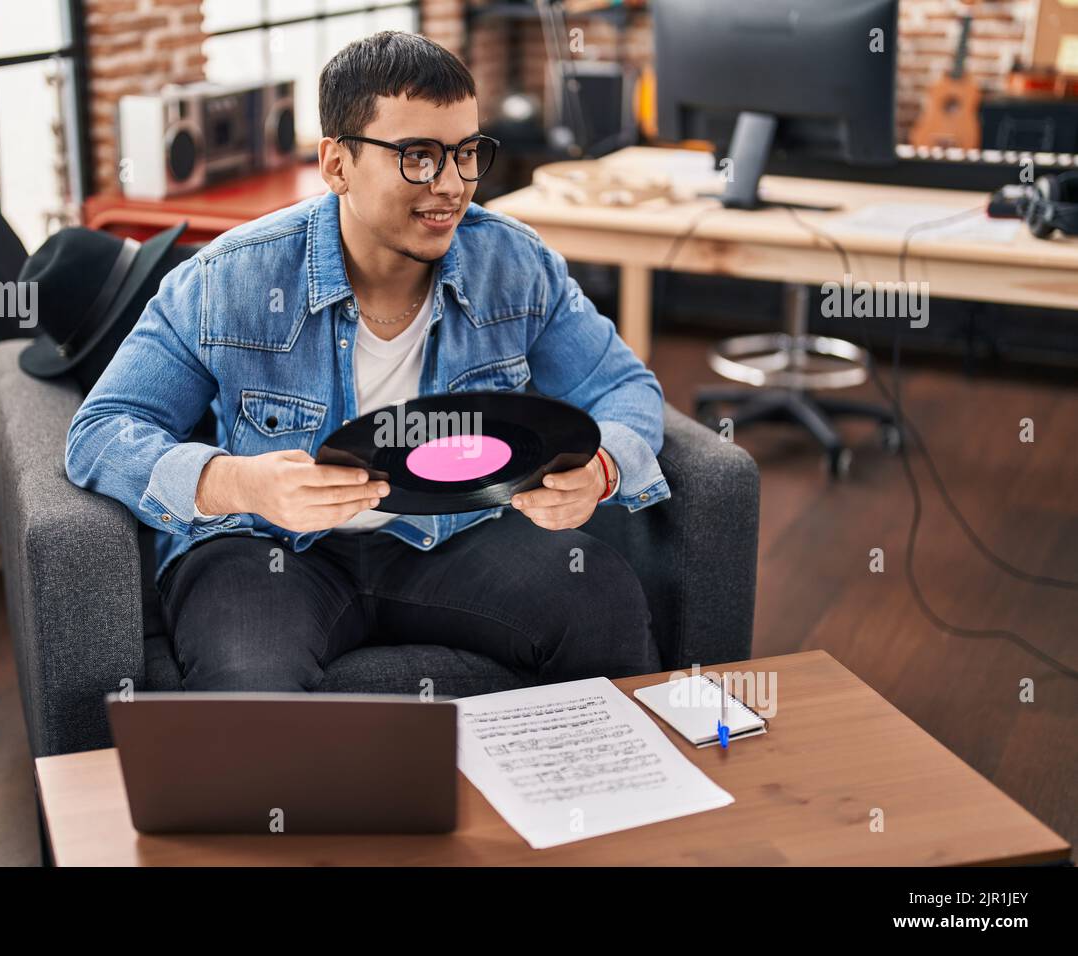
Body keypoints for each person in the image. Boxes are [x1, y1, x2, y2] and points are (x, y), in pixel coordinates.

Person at [66, 30, 672, 692]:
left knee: (601, 600)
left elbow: (622, 387)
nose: (451, 186)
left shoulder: (515, 265)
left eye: (467, 153)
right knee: (251, 681)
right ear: (336, 164)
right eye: (418, 156)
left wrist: (604, 468)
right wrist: (238, 483)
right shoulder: (227, 280)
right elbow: (102, 430)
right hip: (265, 547)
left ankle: (587, 793)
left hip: (456, 535)